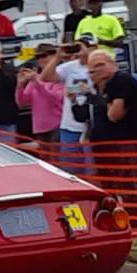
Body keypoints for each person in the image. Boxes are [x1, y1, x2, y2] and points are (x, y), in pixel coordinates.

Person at [85, 50, 137, 226]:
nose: (96, 71)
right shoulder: (96, 88)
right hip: (103, 142)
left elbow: (114, 115)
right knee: (111, 184)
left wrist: (99, 100)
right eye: (92, 68)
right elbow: (85, 115)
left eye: (100, 65)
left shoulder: (121, 81)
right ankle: (121, 220)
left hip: (129, 140)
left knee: (133, 182)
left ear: (112, 64)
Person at [42, 34, 96, 175]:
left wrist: (75, 89)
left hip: (91, 127)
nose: (80, 49)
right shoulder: (69, 67)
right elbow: (46, 77)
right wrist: (58, 56)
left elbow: (95, 88)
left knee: (92, 171)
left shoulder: (98, 66)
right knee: (71, 171)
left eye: (84, 46)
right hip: (70, 126)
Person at [16, 44, 63, 145]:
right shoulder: (35, 78)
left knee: (55, 158)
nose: (40, 60)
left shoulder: (59, 76)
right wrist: (19, 85)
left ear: (53, 56)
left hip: (56, 126)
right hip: (39, 128)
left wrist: (37, 82)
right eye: (37, 57)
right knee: (44, 159)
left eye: (43, 55)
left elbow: (54, 98)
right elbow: (23, 103)